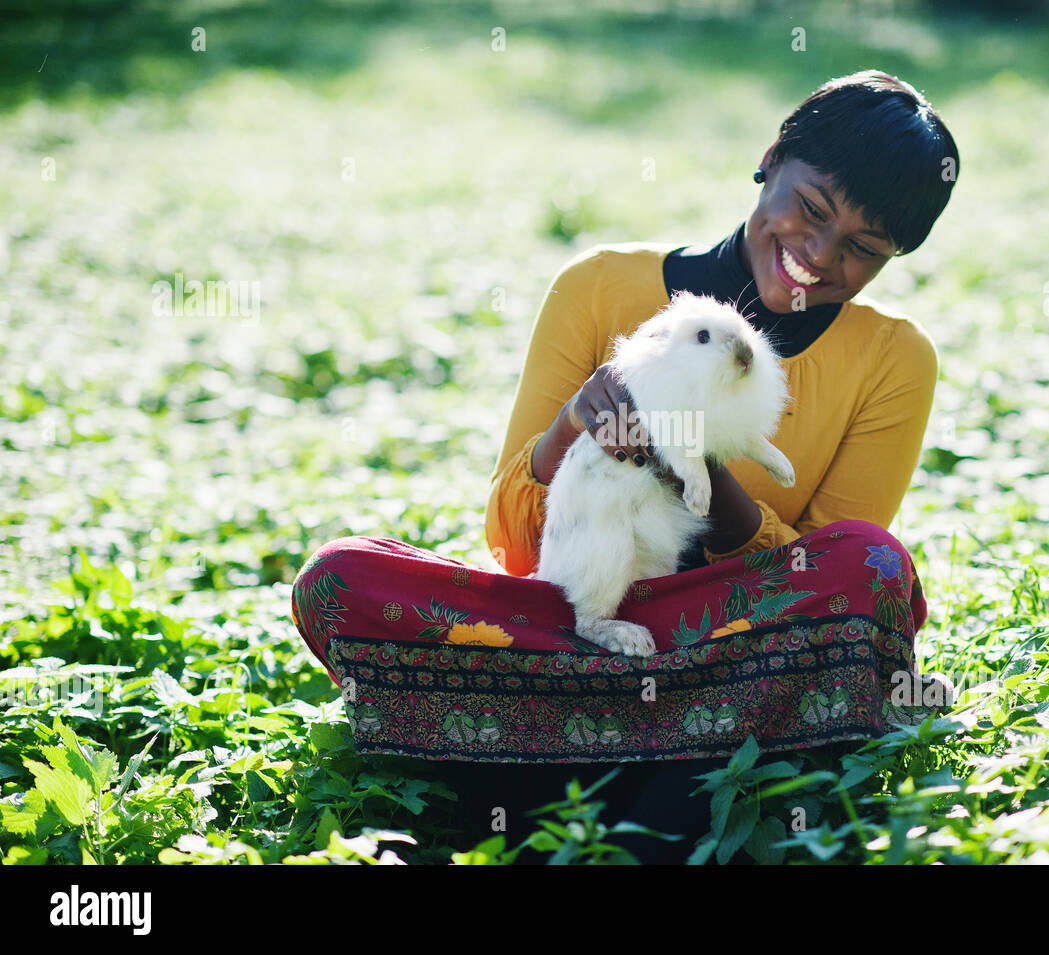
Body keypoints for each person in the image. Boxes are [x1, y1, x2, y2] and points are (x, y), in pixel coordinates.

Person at [290, 69, 959, 863]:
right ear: (772, 158)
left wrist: (698, 466)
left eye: (862, 250)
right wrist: (574, 422)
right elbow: (513, 532)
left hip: (736, 644)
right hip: (570, 635)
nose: (817, 255)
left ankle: (540, 775)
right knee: (341, 577)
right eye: (810, 210)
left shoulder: (894, 358)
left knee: (874, 568)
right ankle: (688, 777)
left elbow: (821, 573)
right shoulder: (599, 286)